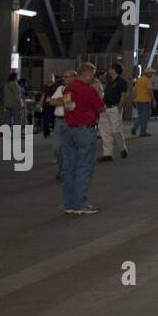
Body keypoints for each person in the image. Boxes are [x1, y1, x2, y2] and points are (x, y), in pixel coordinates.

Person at [60, 62, 105, 215]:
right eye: (93, 75)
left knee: (70, 167)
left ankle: (69, 204)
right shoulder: (89, 90)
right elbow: (101, 108)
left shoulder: (67, 89)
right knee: (84, 167)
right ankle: (81, 203)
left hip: (69, 129)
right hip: (85, 130)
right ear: (88, 73)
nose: (93, 78)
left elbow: (68, 107)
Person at [98, 63, 130, 161]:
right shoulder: (110, 81)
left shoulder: (121, 81)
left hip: (114, 108)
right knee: (105, 131)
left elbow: (123, 95)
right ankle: (107, 154)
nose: (108, 70)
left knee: (115, 130)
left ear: (114, 70)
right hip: (105, 108)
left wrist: (119, 107)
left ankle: (122, 147)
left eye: (110, 68)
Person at [132, 68, 154, 136]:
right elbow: (149, 91)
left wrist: (134, 99)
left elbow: (134, 90)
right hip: (146, 101)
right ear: (148, 73)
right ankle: (142, 132)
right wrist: (154, 100)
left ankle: (135, 127)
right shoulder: (147, 80)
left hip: (139, 100)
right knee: (145, 117)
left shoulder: (139, 79)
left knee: (140, 115)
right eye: (151, 73)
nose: (152, 74)